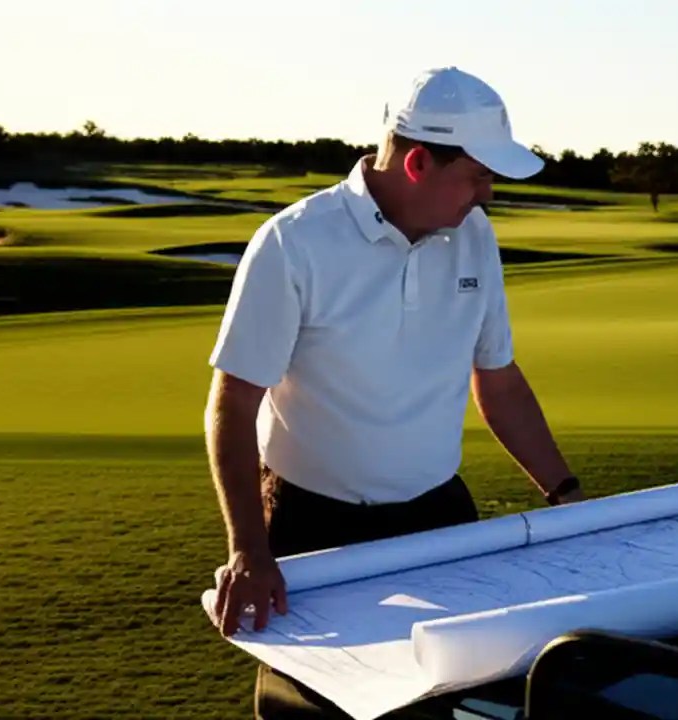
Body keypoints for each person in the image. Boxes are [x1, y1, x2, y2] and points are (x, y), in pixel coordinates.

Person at [202, 66, 585, 718]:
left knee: (430, 705)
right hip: (311, 525)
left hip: (435, 521)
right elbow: (232, 403)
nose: (486, 195)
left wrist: (566, 496)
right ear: (416, 164)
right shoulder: (295, 243)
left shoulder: (475, 239)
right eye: (477, 175)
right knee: (314, 707)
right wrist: (248, 548)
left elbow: (497, 379)